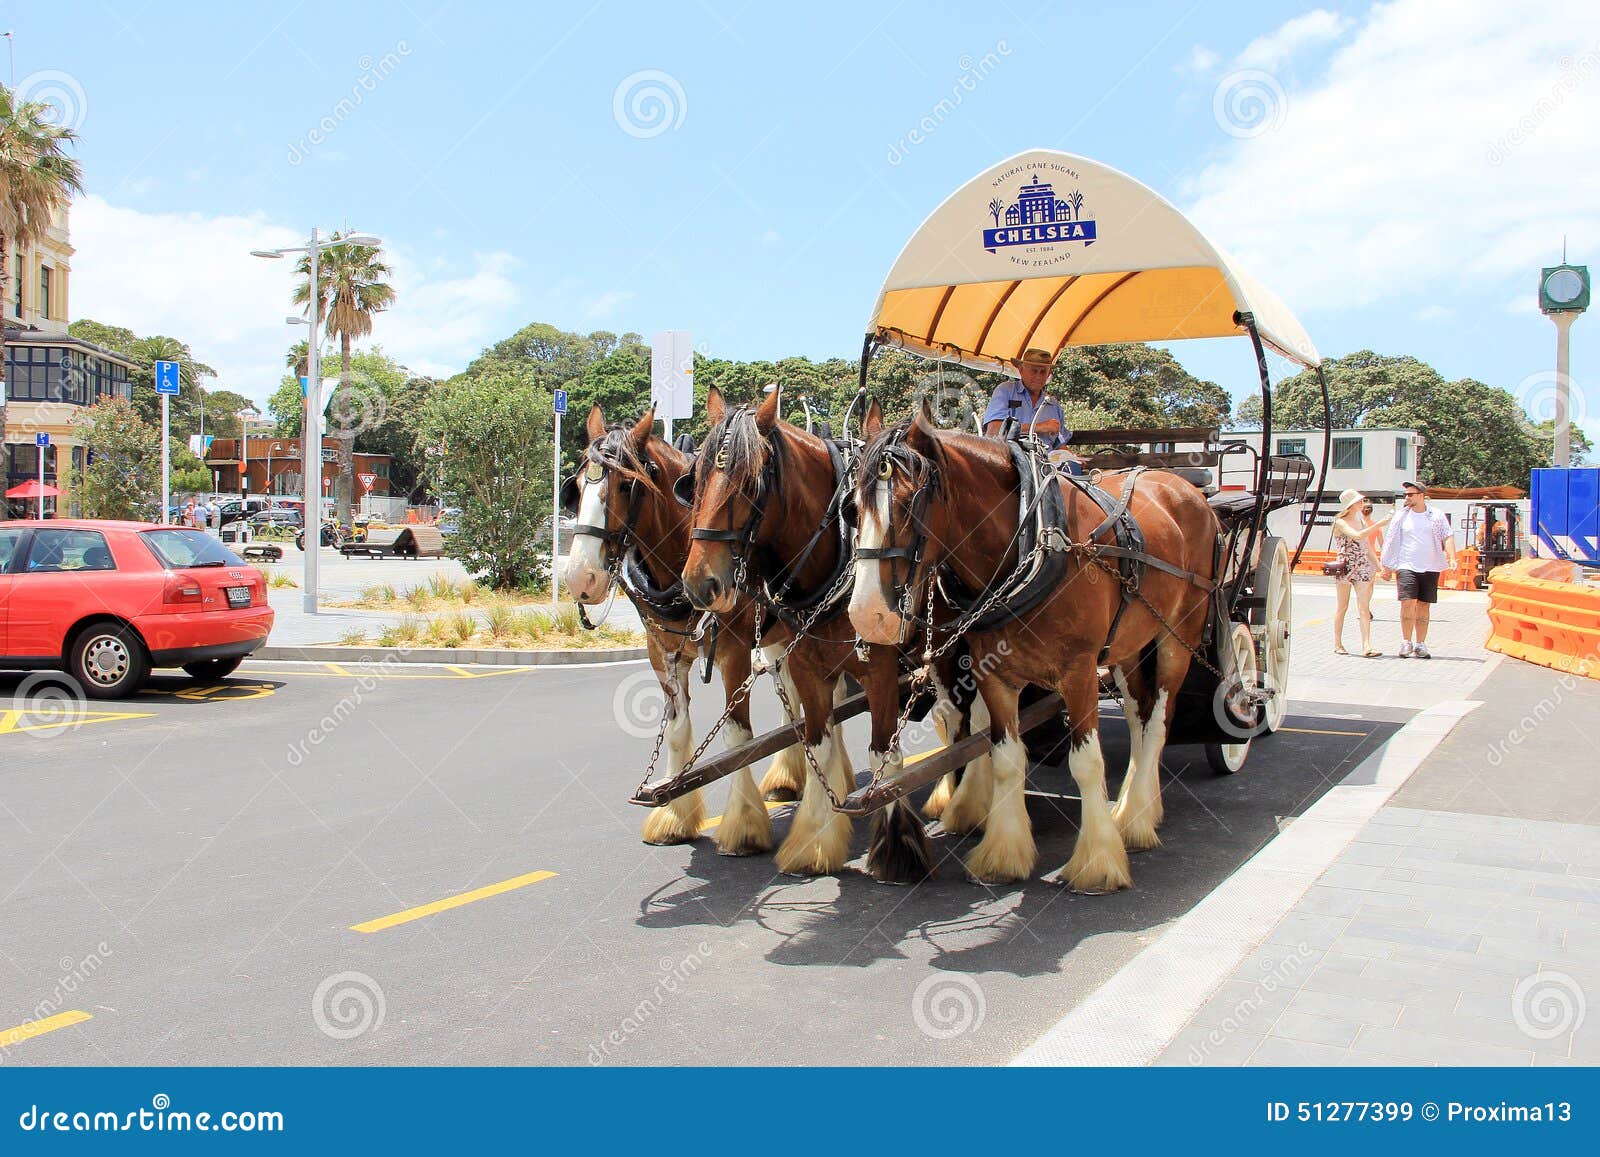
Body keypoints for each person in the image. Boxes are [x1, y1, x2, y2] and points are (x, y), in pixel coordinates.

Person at [1379, 480, 1455, 659]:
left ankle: (1420, 644)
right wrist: (1387, 565)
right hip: (1406, 565)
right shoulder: (1401, 516)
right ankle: (1406, 641)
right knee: (1408, 602)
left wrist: (1452, 557)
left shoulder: (1435, 515)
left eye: (1410, 494)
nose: (1407, 498)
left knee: (1423, 605)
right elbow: (1391, 540)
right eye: (1405, 494)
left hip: (1430, 566)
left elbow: (1447, 536)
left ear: (1421, 495)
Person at [982, 347, 1084, 471]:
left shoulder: (1053, 404)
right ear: (1021, 370)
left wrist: (1071, 457)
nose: (1038, 376)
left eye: (1043, 372)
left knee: (1073, 468)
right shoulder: (1006, 391)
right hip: (1012, 461)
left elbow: (1059, 445)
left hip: (1047, 465)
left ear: (1048, 374)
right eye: (1034, 371)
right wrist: (1040, 427)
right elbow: (994, 430)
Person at [1330, 488, 1384, 657]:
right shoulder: (1340, 521)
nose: (1363, 504)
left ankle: (1367, 645)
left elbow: (1367, 547)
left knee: (1363, 607)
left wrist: (1379, 567)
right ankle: (1338, 643)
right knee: (1342, 607)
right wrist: (1380, 524)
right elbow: (1357, 536)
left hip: (1362, 567)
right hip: (1345, 567)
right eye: (1360, 501)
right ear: (1351, 505)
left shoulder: (1360, 520)